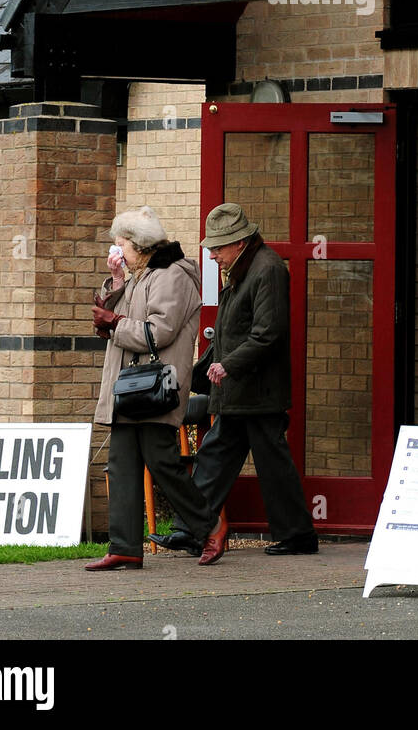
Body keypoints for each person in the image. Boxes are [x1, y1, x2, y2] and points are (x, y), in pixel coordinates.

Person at [151, 203, 317, 563]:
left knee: (270, 462)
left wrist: (228, 366)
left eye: (217, 248)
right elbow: (232, 331)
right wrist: (208, 368)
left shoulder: (267, 270)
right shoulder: (246, 268)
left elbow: (268, 333)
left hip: (258, 391)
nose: (212, 256)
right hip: (239, 390)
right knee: (215, 455)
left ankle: (297, 535)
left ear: (240, 242)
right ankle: (192, 529)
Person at [85, 205, 225, 571]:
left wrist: (114, 323)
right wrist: (116, 282)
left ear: (140, 245)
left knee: (162, 461)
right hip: (132, 387)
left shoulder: (172, 275)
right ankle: (125, 546)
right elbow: (122, 319)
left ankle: (210, 527)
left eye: (121, 246)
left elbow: (157, 333)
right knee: (121, 464)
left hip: (156, 386)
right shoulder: (141, 274)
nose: (118, 253)